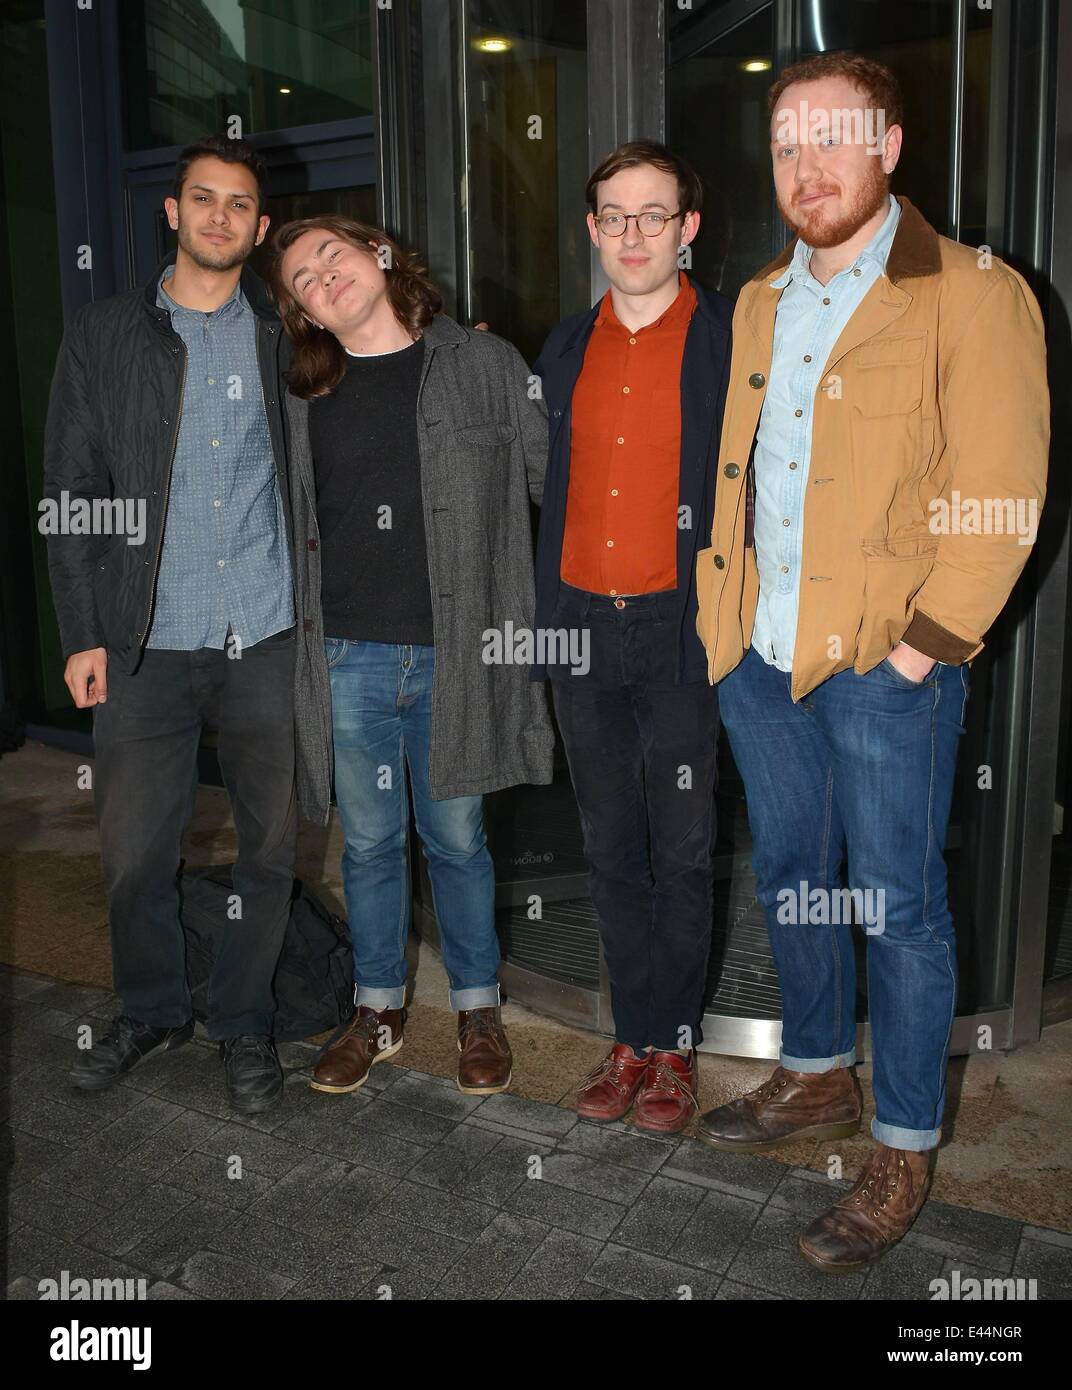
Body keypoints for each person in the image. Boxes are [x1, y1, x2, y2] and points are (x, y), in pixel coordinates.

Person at [695, 54, 1049, 1270]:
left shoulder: (969, 291)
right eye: (786, 141)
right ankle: (811, 1074)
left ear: (890, 146)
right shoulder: (756, 298)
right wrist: (722, 620)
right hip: (762, 654)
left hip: (885, 664)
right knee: (793, 868)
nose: (806, 163)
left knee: (897, 908)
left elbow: (999, 499)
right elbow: (741, 474)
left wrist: (919, 653)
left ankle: (900, 1140)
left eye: (832, 137)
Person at [43, 133, 299, 1114]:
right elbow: (72, 491)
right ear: (172, 211)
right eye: (204, 198)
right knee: (134, 854)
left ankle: (243, 1022)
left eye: (239, 204)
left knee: (271, 849)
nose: (220, 216)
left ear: (260, 226)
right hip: (141, 641)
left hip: (264, 635)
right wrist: (80, 633)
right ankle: (150, 1008)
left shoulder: (286, 332)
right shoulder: (104, 334)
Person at [271, 216, 554, 1096]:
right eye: (302, 281)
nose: (323, 278)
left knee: (459, 841)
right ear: (302, 315)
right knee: (368, 846)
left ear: (381, 255)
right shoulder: (301, 396)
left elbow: (552, 490)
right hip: (348, 656)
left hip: (455, 660)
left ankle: (476, 1009)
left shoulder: (484, 365)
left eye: (333, 255)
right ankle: (379, 1008)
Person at [531, 142, 732, 1132]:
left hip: (681, 633)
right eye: (615, 215)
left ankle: (676, 1050)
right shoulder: (564, 346)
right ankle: (633, 1035)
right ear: (592, 230)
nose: (634, 234)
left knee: (682, 853)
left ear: (688, 230)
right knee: (610, 848)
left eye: (655, 215)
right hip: (579, 628)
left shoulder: (730, 343)